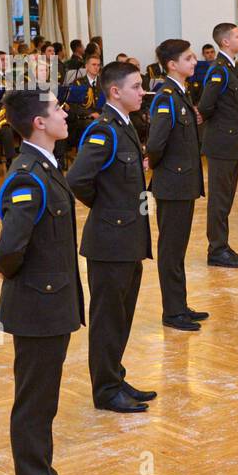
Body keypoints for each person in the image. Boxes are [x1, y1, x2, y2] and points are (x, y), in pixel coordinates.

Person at [0, 87, 90, 475]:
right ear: (38, 123)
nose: (64, 114)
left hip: (50, 305)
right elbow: (8, 251)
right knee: (33, 403)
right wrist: (24, 284)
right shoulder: (28, 177)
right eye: (56, 109)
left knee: (45, 400)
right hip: (35, 308)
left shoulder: (47, 168)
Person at [66, 61, 155, 413]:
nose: (142, 91)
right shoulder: (104, 130)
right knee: (106, 320)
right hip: (111, 241)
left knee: (121, 316)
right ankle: (104, 390)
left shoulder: (125, 124)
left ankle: (114, 375)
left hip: (128, 240)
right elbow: (77, 180)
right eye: (135, 86)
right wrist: (107, 211)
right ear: (115, 91)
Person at [146, 38, 208, 332]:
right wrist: (159, 167)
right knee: (171, 250)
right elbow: (157, 143)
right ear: (172, 65)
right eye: (189, 58)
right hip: (172, 183)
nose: (195, 62)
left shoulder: (181, 93)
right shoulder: (166, 97)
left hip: (183, 182)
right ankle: (172, 312)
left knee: (178, 248)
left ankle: (179, 304)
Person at [199, 23, 238, 268]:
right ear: (225, 42)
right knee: (219, 200)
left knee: (227, 198)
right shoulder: (219, 70)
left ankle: (223, 245)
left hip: (233, 142)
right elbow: (207, 105)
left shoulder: (232, 68)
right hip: (222, 143)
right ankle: (216, 250)